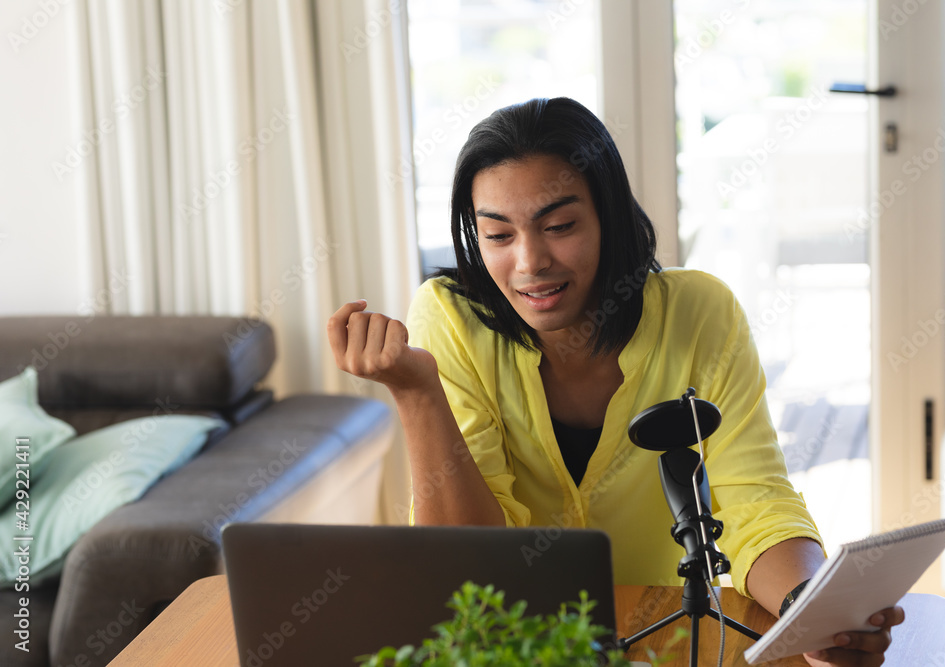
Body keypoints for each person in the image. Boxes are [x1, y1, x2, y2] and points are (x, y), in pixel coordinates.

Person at [328, 97, 903, 665]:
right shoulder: (452, 317)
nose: (530, 262)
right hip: (522, 647)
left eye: (559, 226)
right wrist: (416, 392)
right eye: (499, 236)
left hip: (664, 636)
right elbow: (464, 570)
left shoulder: (700, 313)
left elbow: (757, 500)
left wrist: (812, 610)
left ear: (611, 218)